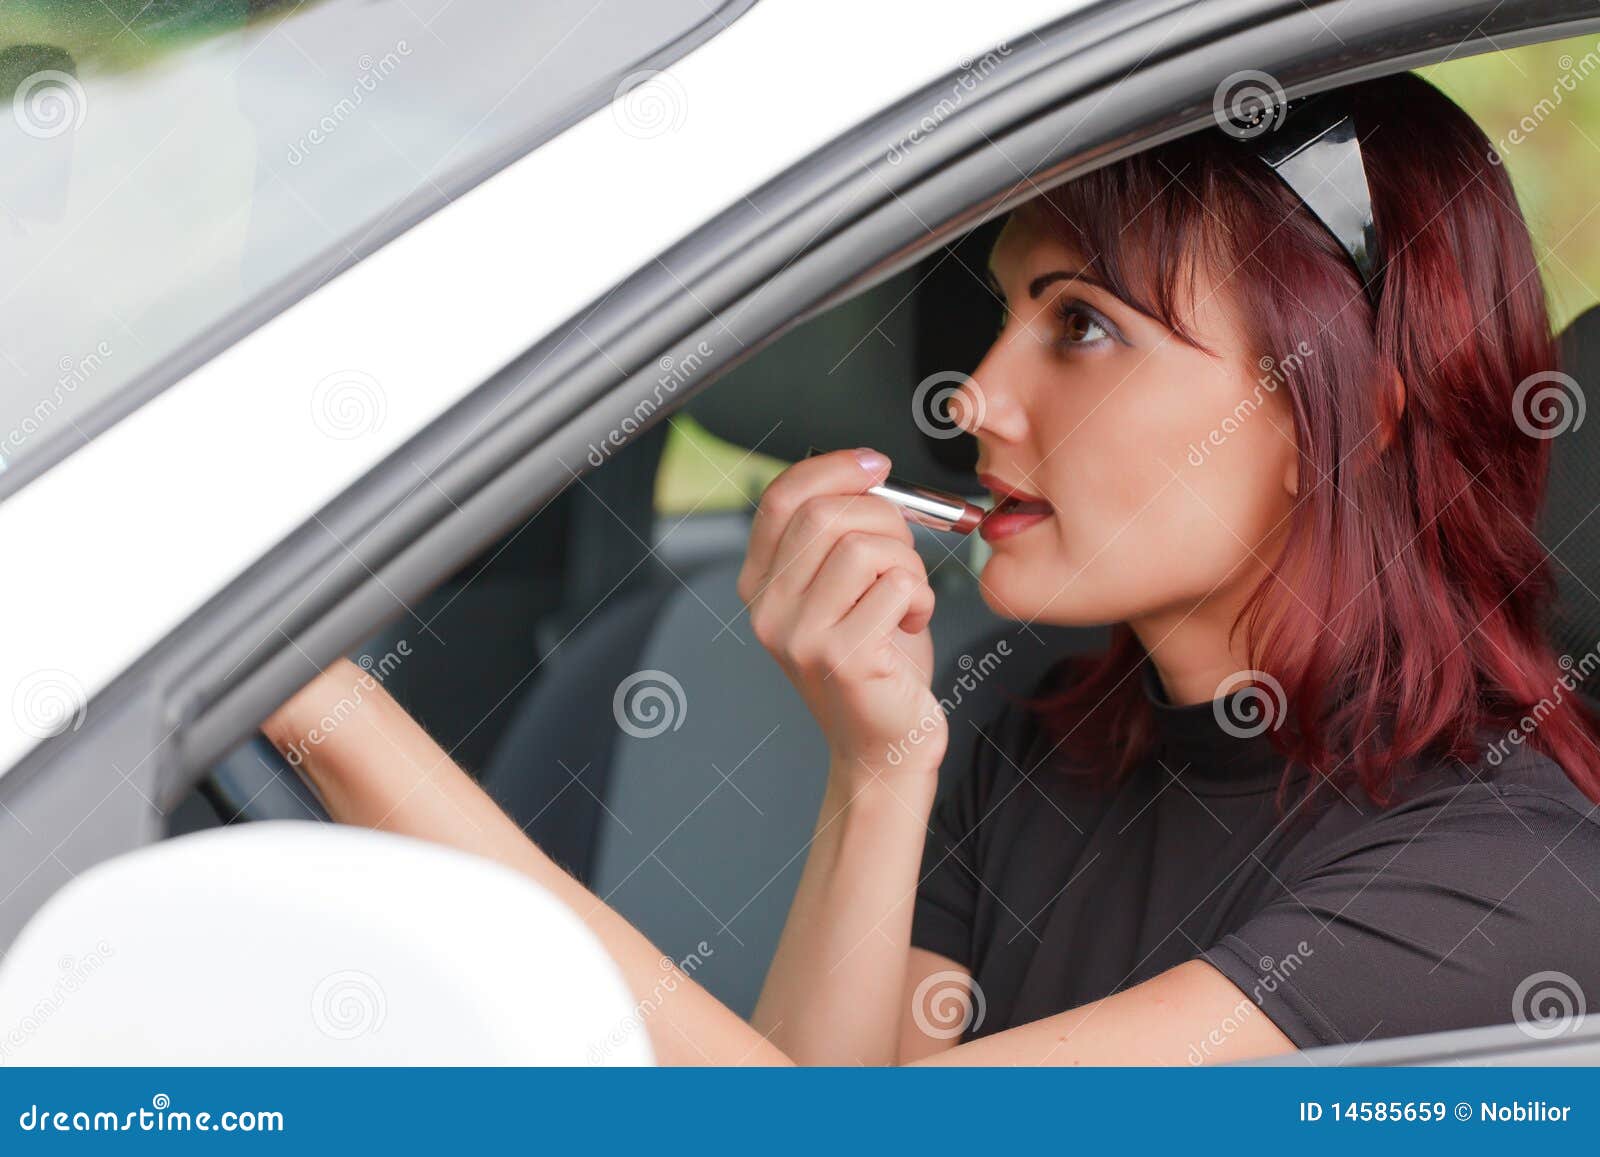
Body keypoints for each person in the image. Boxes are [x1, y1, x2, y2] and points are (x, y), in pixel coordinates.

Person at [263, 72, 1600, 1065]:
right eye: (1005, 312)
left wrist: (304, 686)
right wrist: (881, 764)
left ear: (1352, 411)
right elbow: (823, 1099)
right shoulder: (1039, 739)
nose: (976, 400)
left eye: (1082, 324)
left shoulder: (1495, 885)